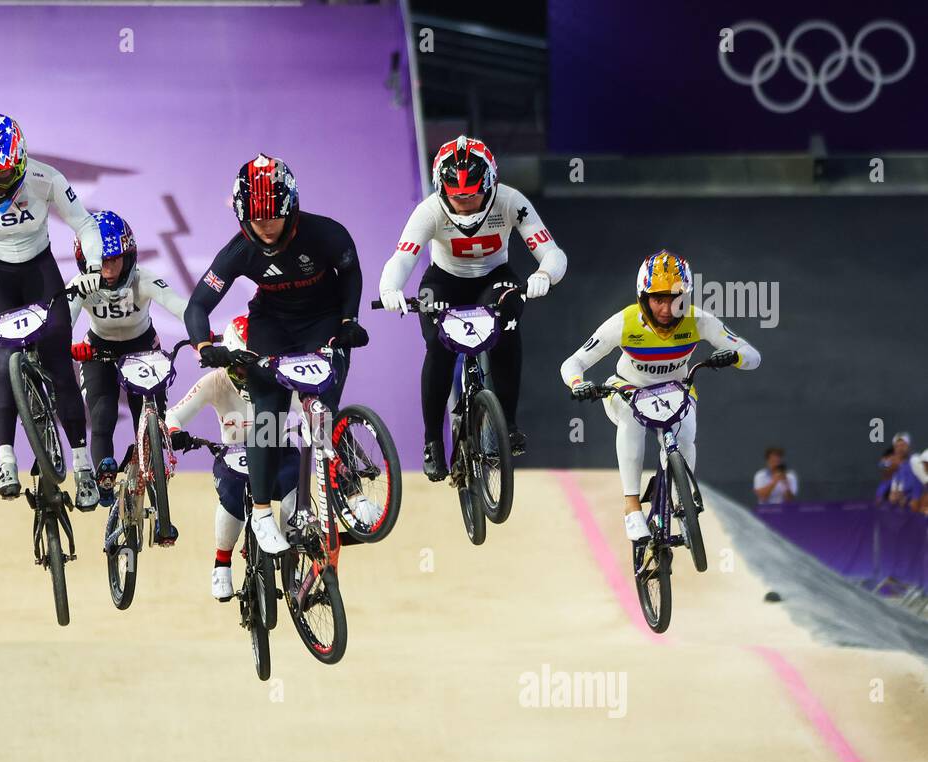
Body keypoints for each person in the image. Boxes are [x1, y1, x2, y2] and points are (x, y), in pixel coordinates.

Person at [184, 153, 368, 555]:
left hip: (324, 320)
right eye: (255, 220)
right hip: (272, 325)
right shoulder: (238, 251)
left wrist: (349, 320)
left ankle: (351, 495)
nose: (265, 227)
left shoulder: (325, 234)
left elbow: (350, 271)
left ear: (291, 208)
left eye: (273, 218)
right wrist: (204, 346)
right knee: (268, 414)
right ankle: (264, 514)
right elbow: (196, 306)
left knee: (322, 410)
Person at [0, 111, 104, 507]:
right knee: (2, 356)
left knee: (60, 361)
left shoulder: (47, 179)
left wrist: (93, 268)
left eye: (3, 176)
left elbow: (85, 224)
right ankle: (5, 457)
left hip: (40, 272)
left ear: (22, 160)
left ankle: (82, 465)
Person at [377, 135, 568, 478]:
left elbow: (553, 253)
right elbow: (403, 257)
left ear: (490, 184)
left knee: (507, 323)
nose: (465, 204)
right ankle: (433, 441)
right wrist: (390, 287)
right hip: (444, 282)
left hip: (493, 280)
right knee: (438, 346)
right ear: (441, 190)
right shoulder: (429, 210)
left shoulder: (511, 201)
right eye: (457, 196)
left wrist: (544, 274)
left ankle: (507, 423)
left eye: (473, 194)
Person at [560, 251, 761, 543]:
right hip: (628, 388)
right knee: (631, 419)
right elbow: (572, 363)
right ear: (643, 298)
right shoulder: (624, 322)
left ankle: (676, 498)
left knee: (686, 435)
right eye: (658, 299)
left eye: (676, 299)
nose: (667, 308)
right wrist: (578, 383)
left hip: (676, 389)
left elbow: (753, 355)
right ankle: (631, 507)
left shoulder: (698, 320)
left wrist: (734, 356)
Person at [166, 316, 302, 598]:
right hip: (234, 454)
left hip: (277, 446)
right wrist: (175, 430)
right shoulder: (215, 381)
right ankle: (222, 563)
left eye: (251, 366)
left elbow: (310, 409)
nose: (244, 374)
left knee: (293, 486)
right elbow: (175, 414)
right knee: (231, 494)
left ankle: (294, 558)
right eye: (237, 367)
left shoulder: (279, 376)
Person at [66, 211, 187, 512]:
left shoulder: (144, 279)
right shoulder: (80, 284)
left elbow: (181, 307)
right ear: (85, 262)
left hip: (143, 350)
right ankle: (104, 476)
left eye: (115, 260)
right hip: (99, 352)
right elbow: (61, 326)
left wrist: (203, 336)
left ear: (129, 255)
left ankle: (156, 489)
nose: (108, 270)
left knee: (149, 424)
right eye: (101, 262)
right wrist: (69, 347)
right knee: (102, 414)